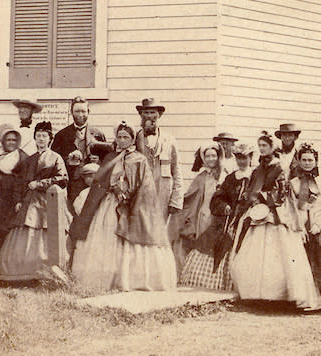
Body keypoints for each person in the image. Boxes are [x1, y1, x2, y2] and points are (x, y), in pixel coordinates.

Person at [71, 123, 177, 293]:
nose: (122, 140)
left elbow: (145, 186)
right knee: (106, 237)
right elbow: (101, 181)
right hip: (110, 204)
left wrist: (128, 195)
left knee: (130, 239)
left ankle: (128, 279)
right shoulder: (110, 157)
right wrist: (113, 188)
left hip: (131, 205)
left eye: (126, 137)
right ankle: (107, 279)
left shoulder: (140, 159)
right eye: (119, 137)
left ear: (133, 139)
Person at [229, 132, 320, 308]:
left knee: (278, 254)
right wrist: (252, 199)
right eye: (260, 145)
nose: (262, 149)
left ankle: (279, 296)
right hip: (258, 212)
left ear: (272, 147)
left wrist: (263, 198)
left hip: (276, 213)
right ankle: (256, 294)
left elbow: (281, 191)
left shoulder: (280, 168)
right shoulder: (258, 169)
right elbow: (252, 188)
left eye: (265, 145)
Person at [0, 121, 70, 283]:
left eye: (44, 136)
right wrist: (18, 200)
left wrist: (40, 184)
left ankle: (44, 273)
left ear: (50, 139)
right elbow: (20, 182)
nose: (41, 139)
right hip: (28, 202)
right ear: (35, 139)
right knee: (25, 230)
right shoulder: (29, 159)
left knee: (44, 231)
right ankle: (22, 273)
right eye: (38, 136)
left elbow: (63, 178)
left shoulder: (56, 158)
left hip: (47, 202)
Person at [176, 145, 231, 290]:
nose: (211, 159)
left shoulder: (225, 174)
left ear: (218, 157)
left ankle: (217, 279)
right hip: (205, 215)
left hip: (220, 215)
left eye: (214, 156)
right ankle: (201, 279)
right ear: (203, 159)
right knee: (203, 245)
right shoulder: (201, 177)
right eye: (208, 156)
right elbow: (190, 196)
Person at [134, 99, 183, 261]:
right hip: (140, 194)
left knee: (159, 232)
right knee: (140, 230)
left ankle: (157, 267)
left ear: (159, 115)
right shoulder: (134, 138)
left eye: (153, 112)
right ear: (141, 115)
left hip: (162, 195)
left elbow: (177, 171)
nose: (149, 116)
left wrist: (176, 200)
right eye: (146, 112)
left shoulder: (169, 140)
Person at [292, 142, 321, 308]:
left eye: (310, 160)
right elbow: (292, 208)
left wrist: (320, 225)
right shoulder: (294, 183)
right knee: (303, 263)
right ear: (299, 161)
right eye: (304, 160)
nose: (307, 163)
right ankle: (308, 301)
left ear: (315, 161)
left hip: (319, 229)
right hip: (302, 229)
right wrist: (300, 227)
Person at [0, 125, 30, 276]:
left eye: (14, 140)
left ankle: (5, 270)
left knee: (6, 231)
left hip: (11, 198)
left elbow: (23, 180)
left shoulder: (22, 157)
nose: (11, 142)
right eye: (8, 139)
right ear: (2, 140)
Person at [52, 97, 112, 203]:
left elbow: (107, 159)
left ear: (88, 112)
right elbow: (53, 160)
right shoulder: (61, 135)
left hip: (93, 181)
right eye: (77, 111)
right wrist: (68, 160)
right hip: (72, 183)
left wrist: (98, 161)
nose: (80, 114)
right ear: (71, 112)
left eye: (83, 111)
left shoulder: (98, 134)